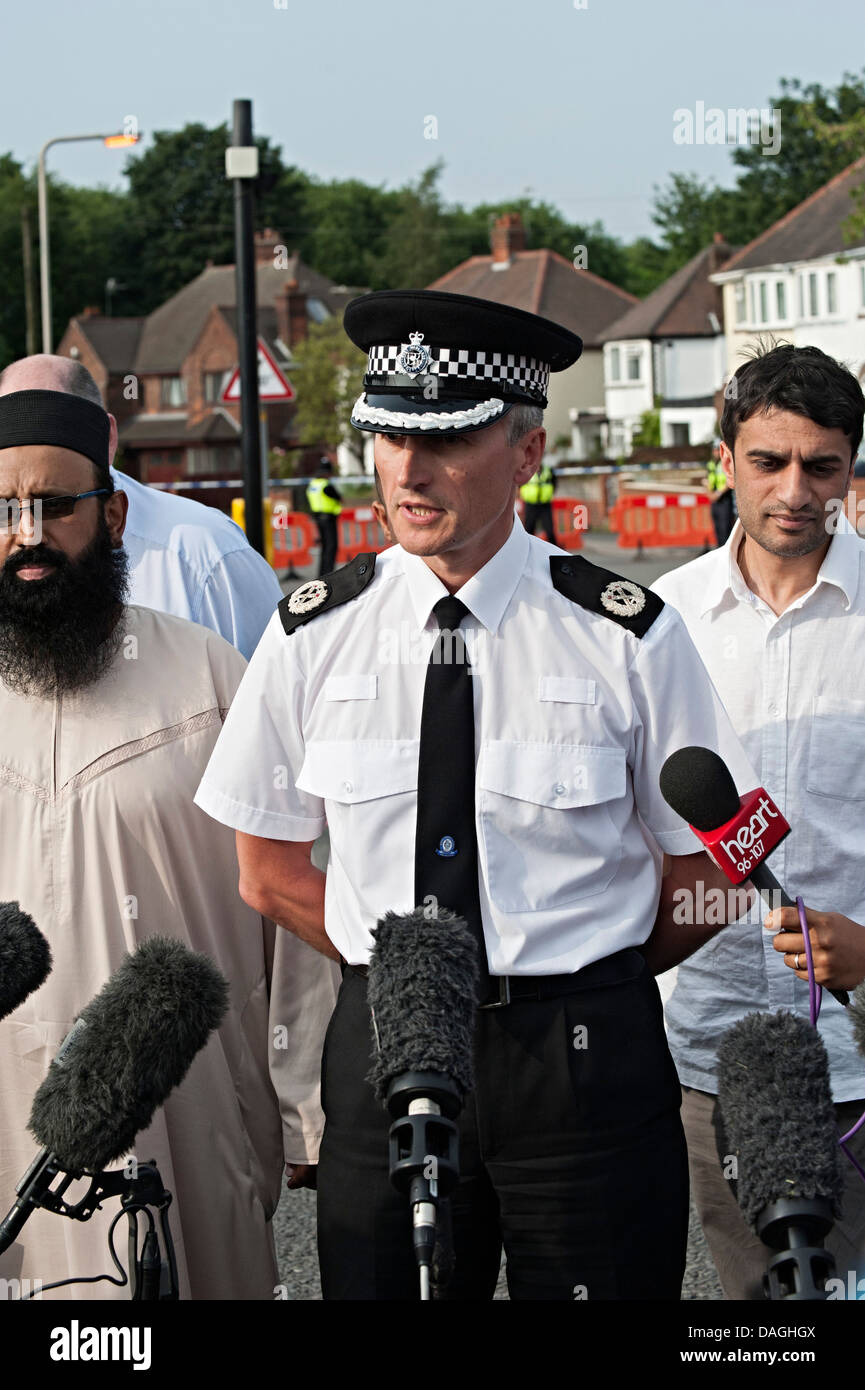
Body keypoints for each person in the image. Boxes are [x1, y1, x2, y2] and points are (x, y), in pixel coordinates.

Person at [194, 289, 755, 1301]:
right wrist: (412, 974)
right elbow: (267, 869)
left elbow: (721, 859)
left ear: (527, 453)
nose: (407, 469)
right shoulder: (312, 632)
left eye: (446, 439)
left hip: (581, 1057)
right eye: (388, 435)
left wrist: (601, 966)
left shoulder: (626, 632)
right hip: (385, 1046)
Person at [0, 386, 338, 1299]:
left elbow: (294, 891)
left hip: (185, 1107)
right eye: (4, 510)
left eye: (55, 505)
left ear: (110, 512)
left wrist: (306, 1109)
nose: (28, 533)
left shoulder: (207, 676)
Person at [652, 343, 865, 1300]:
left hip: (858, 1060)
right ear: (725, 459)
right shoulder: (658, 621)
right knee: (760, 1326)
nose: (794, 490)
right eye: (766, 461)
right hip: (710, 1055)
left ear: (850, 469)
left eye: (820, 465)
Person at [0, 356, 283, 660]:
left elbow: (275, 692)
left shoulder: (206, 556)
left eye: (53, 504)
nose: (29, 532)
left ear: (107, 438)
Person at [306, 457, 342, 576]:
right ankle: (329, 574)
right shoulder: (326, 485)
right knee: (331, 547)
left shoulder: (312, 484)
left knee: (325, 547)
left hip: (318, 518)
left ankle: (322, 573)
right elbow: (338, 497)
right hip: (328, 518)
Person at [706, 438, 735, 547]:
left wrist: (717, 494)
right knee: (718, 530)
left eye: (717, 450)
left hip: (724, 500)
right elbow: (709, 480)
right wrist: (709, 493)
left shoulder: (726, 463)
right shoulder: (711, 464)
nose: (716, 452)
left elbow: (729, 481)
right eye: (714, 450)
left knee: (725, 530)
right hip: (715, 501)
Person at [519, 459, 556, 542]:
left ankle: (555, 552)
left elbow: (554, 483)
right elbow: (520, 484)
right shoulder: (526, 471)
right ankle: (527, 551)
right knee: (529, 530)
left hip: (545, 505)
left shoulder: (548, 470)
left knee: (550, 531)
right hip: (530, 504)